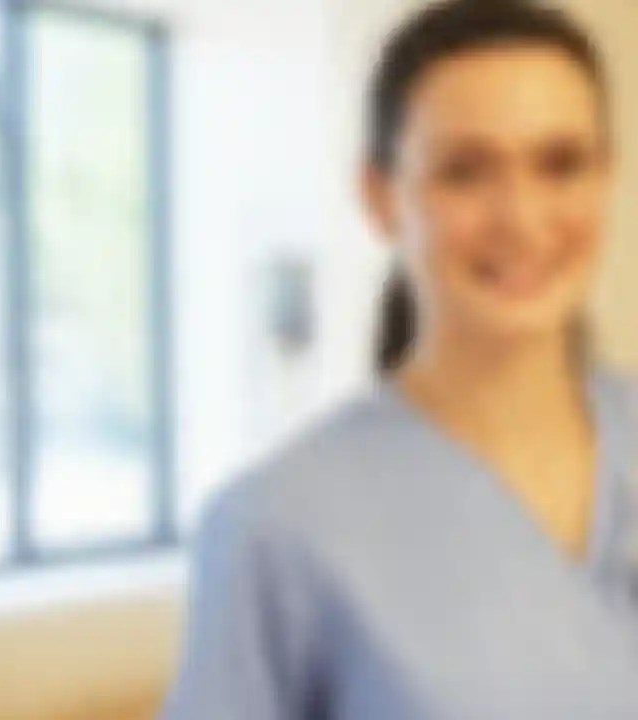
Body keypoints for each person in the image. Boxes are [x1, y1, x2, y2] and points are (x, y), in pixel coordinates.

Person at [160, 1, 638, 717]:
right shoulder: (277, 525)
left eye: (560, 165)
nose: (522, 217)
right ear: (381, 197)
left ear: (606, 179)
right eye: (466, 171)